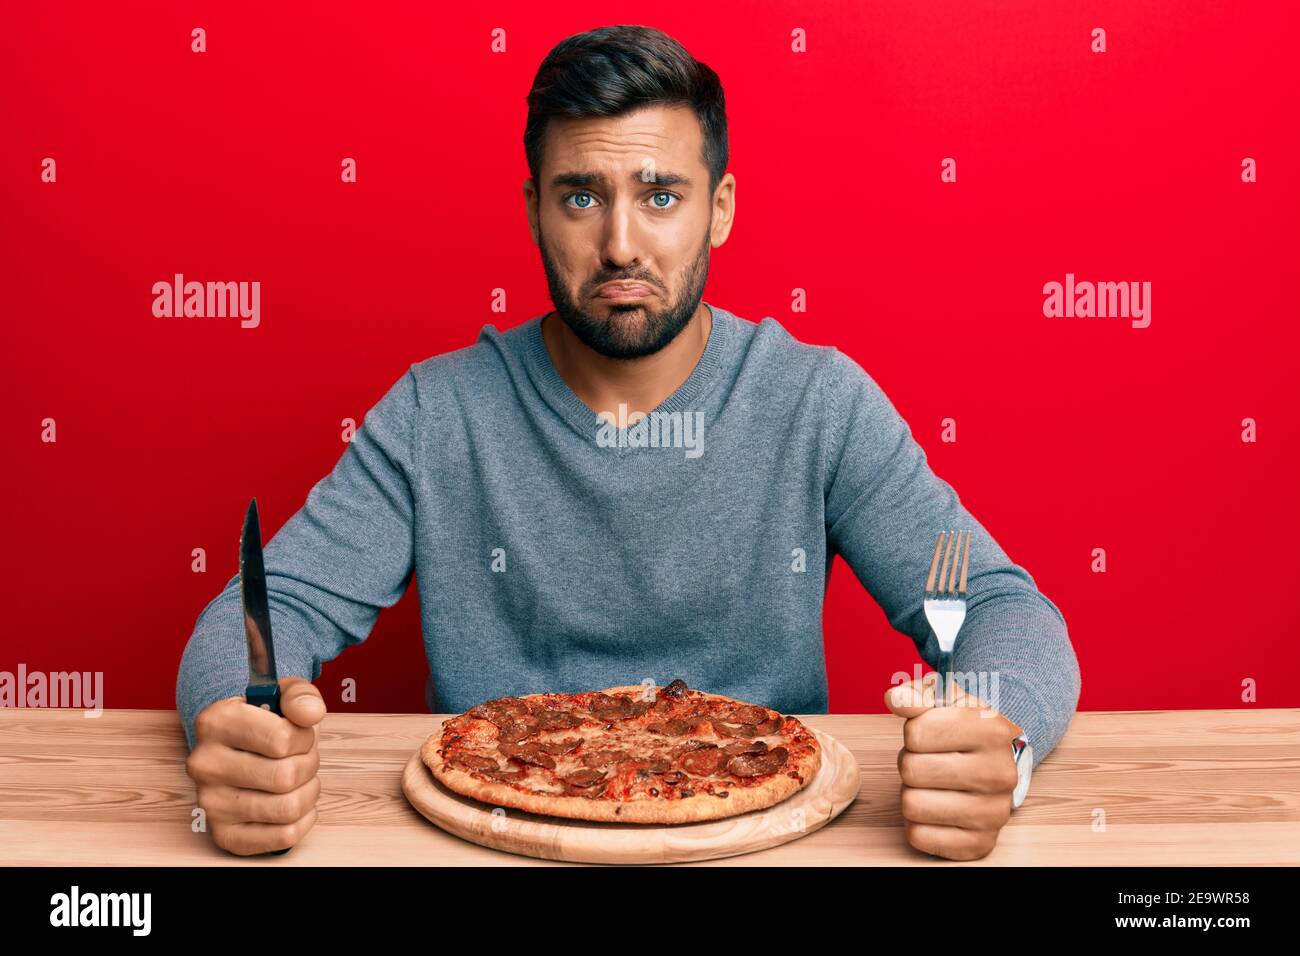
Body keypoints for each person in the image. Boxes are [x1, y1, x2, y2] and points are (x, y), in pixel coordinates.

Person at [178, 24, 1081, 860]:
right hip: (491, 848)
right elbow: (266, 611)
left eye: (660, 195)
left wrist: (999, 736)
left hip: (769, 849)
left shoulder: (818, 402)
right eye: (581, 196)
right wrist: (240, 721)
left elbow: (1004, 611)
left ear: (720, 209)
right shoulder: (436, 412)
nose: (620, 244)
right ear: (535, 208)